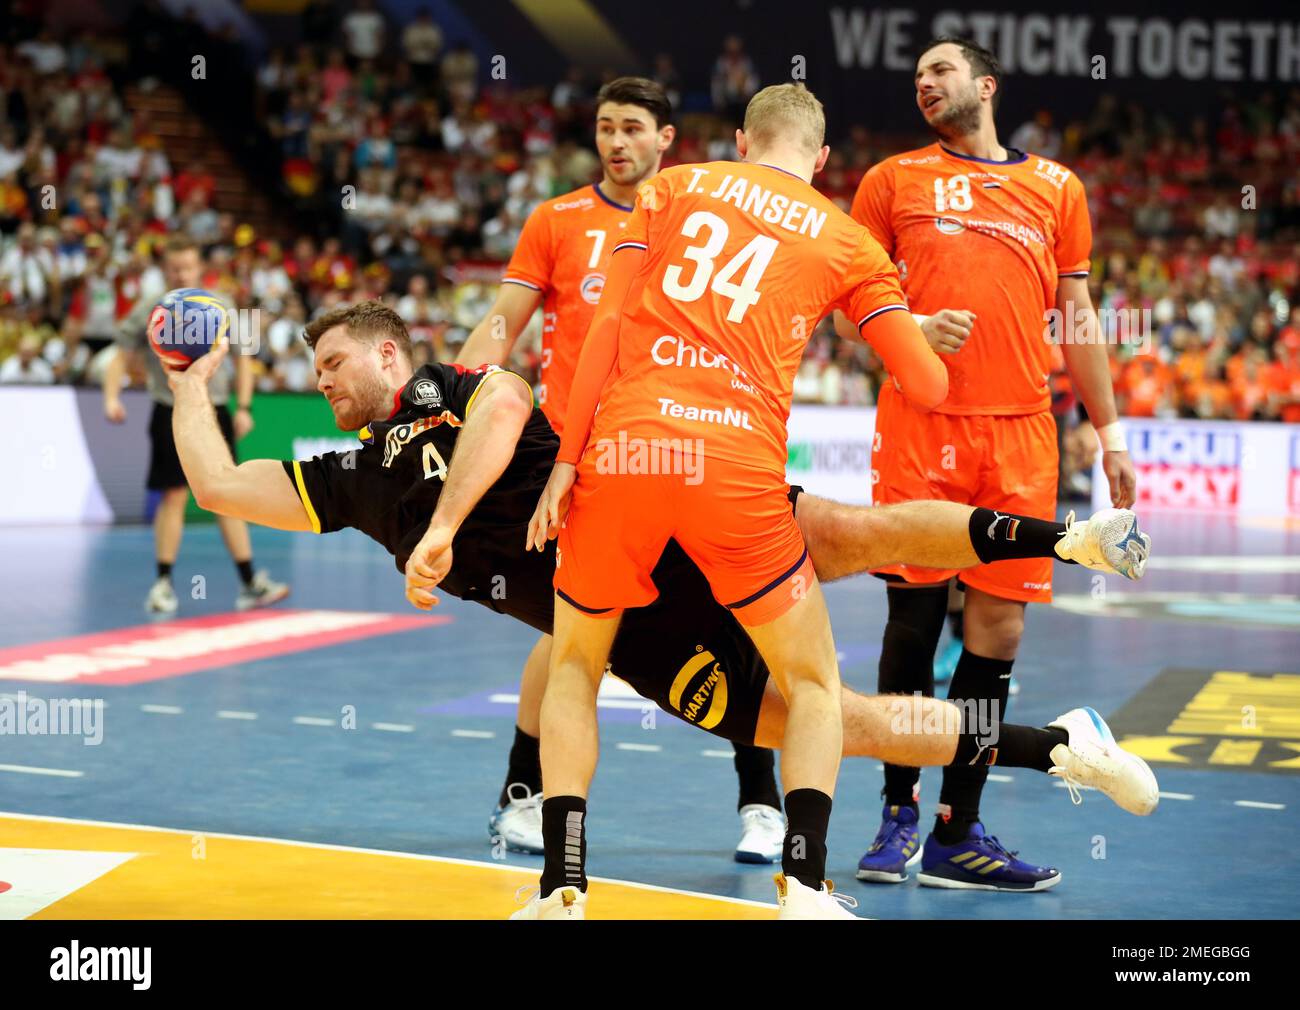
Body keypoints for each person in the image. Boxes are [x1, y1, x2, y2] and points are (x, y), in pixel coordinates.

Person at [167, 301, 1157, 918]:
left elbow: (511, 404)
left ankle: (1062, 536)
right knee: (846, 725)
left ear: (389, 354)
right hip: (633, 626)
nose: (322, 379)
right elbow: (214, 482)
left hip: (663, 525)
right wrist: (188, 386)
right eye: (315, 368)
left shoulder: (444, 391)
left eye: (335, 360)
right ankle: (1059, 743)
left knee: (861, 532)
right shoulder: (343, 480)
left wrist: (442, 529)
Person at [523, 83, 989, 918]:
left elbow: (605, 327)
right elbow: (926, 384)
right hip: (734, 468)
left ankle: (562, 885)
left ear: (742, 141)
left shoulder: (671, 186)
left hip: (625, 449)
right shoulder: (847, 241)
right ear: (820, 160)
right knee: (810, 684)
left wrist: (565, 462)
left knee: (573, 667)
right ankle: (804, 887)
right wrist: (915, 328)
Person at [457, 77, 787, 864]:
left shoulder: (700, 217)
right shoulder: (558, 220)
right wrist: (460, 391)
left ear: (666, 138)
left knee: (737, 615)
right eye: (605, 128)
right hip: (577, 463)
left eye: (633, 128)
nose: (616, 142)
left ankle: (760, 803)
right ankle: (521, 795)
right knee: (566, 629)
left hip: (686, 451)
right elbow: (500, 325)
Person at [837, 37, 1139, 891]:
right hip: (921, 422)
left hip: (1020, 434)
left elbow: (1077, 316)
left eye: (941, 71)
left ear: (985, 84)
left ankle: (956, 827)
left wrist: (1111, 435)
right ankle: (897, 807)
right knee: (914, 618)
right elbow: (846, 296)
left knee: (996, 632)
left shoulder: (1056, 188)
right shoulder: (891, 181)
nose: (925, 84)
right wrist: (905, 333)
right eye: (918, 77)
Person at [102, 236, 289, 614]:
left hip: (215, 408)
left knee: (228, 494)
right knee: (173, 495)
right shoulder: (150, 308)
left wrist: (245, 407)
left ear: (199, 267)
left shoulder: (227, 305)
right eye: (172, 268)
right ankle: (163, 585)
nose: (179, 273)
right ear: (164, 269)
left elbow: (246, 361)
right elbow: (121, 355)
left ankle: (250, 582)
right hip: (168, 407)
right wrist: (110, 396)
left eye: (186, 267)